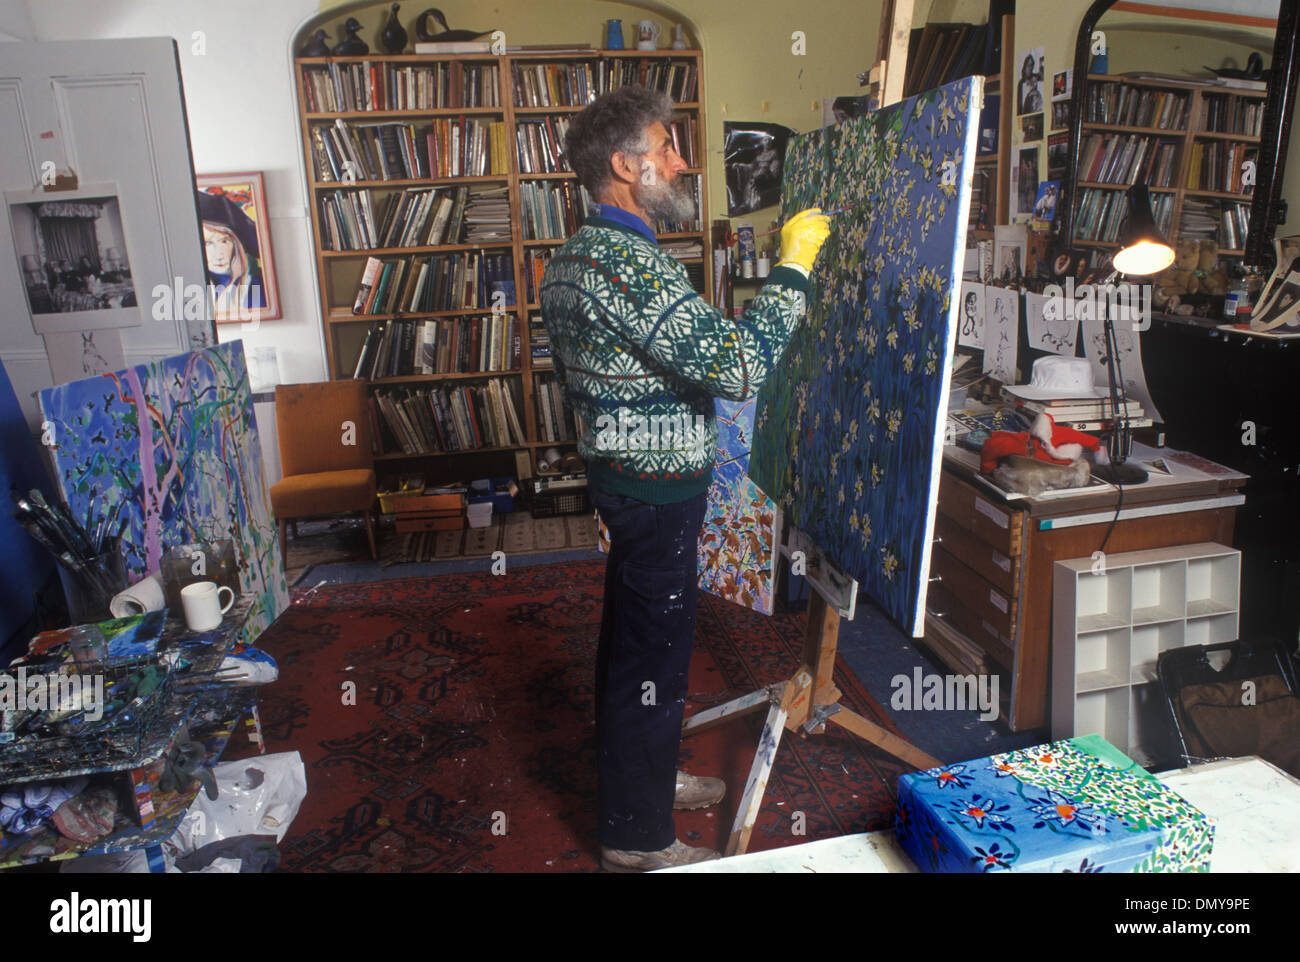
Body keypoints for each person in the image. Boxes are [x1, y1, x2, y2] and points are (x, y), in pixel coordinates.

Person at [540, 85, 831, 872]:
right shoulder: (626, 264)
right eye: (667, 148)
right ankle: (635, 839)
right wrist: (795, 268)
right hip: (652, 491)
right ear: (626, 166)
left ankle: (642, 780)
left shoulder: (575, 256)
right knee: (651, 657)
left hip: (624, 480)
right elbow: (737, 367)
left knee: (629, 642)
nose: (682, 162)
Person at [198, 189, 267, 318]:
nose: (219, 254)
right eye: (208, 243)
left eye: (224, 241)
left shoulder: (257, 288)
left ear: (236, 244)